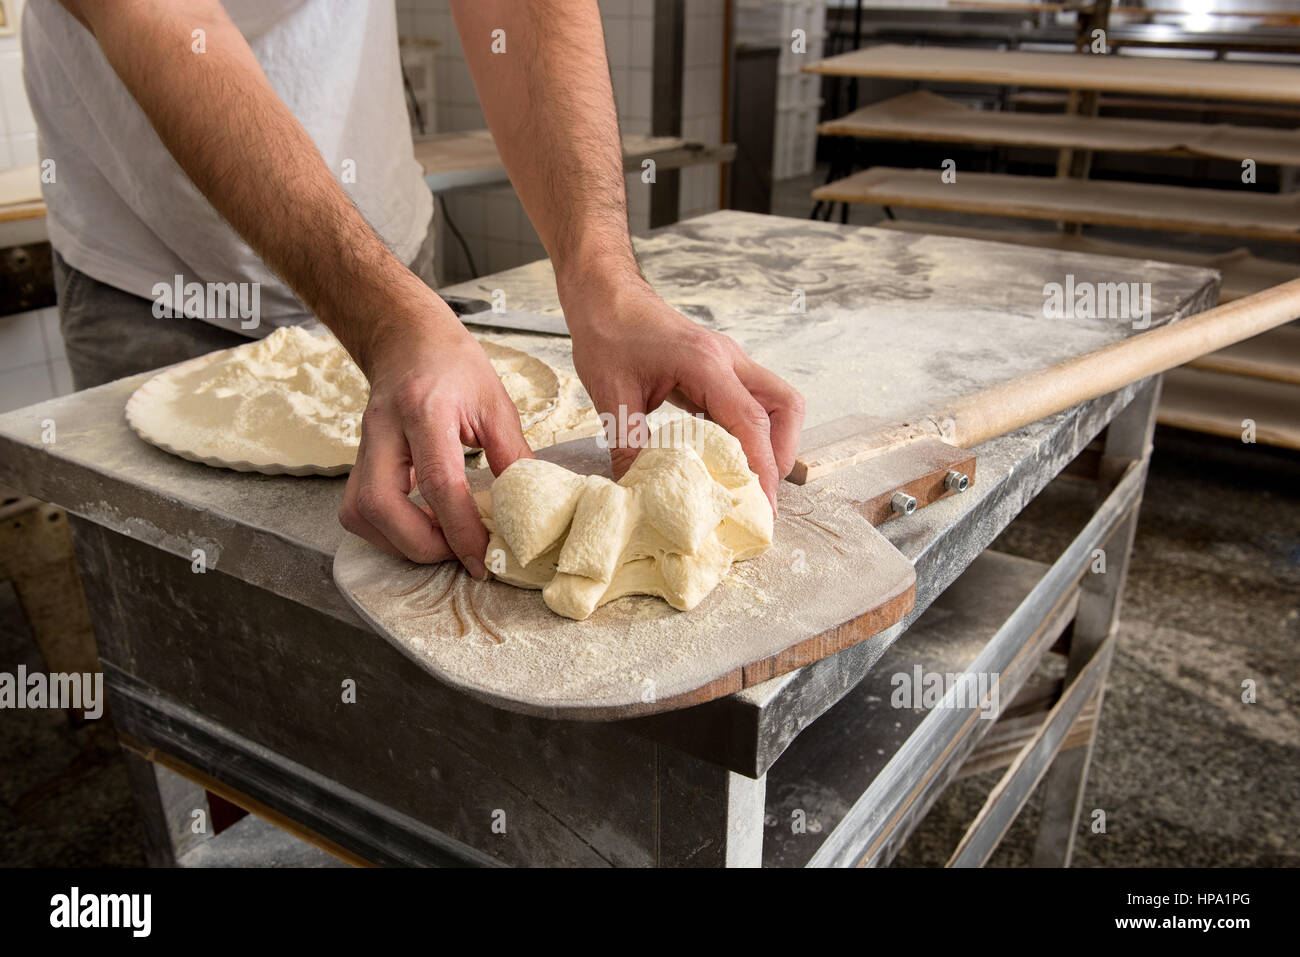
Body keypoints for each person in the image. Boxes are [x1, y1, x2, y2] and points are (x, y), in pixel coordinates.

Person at [24, 0, 804, 579]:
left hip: (383, 234)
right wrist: (388, 316)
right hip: (151, 268)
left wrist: (604, 280)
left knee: (418, 596)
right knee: (182, 618)